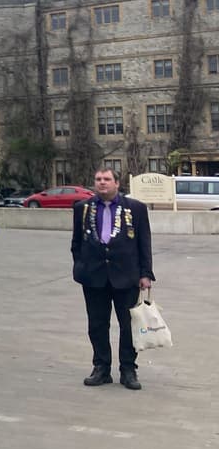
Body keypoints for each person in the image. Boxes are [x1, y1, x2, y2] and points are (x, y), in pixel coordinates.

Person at [71, 167, 154, 390]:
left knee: (128, 325)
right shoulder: (82, 208)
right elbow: (76, 243)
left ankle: (128, 369)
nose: (102, 183)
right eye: (98, 179)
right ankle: (101, 367)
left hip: (126, 277)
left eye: (107, 179)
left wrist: (145, 273)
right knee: (97, 324)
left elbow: (144, 243)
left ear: (117, 183)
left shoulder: (135, 208)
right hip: (94, 277)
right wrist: (80, 266)